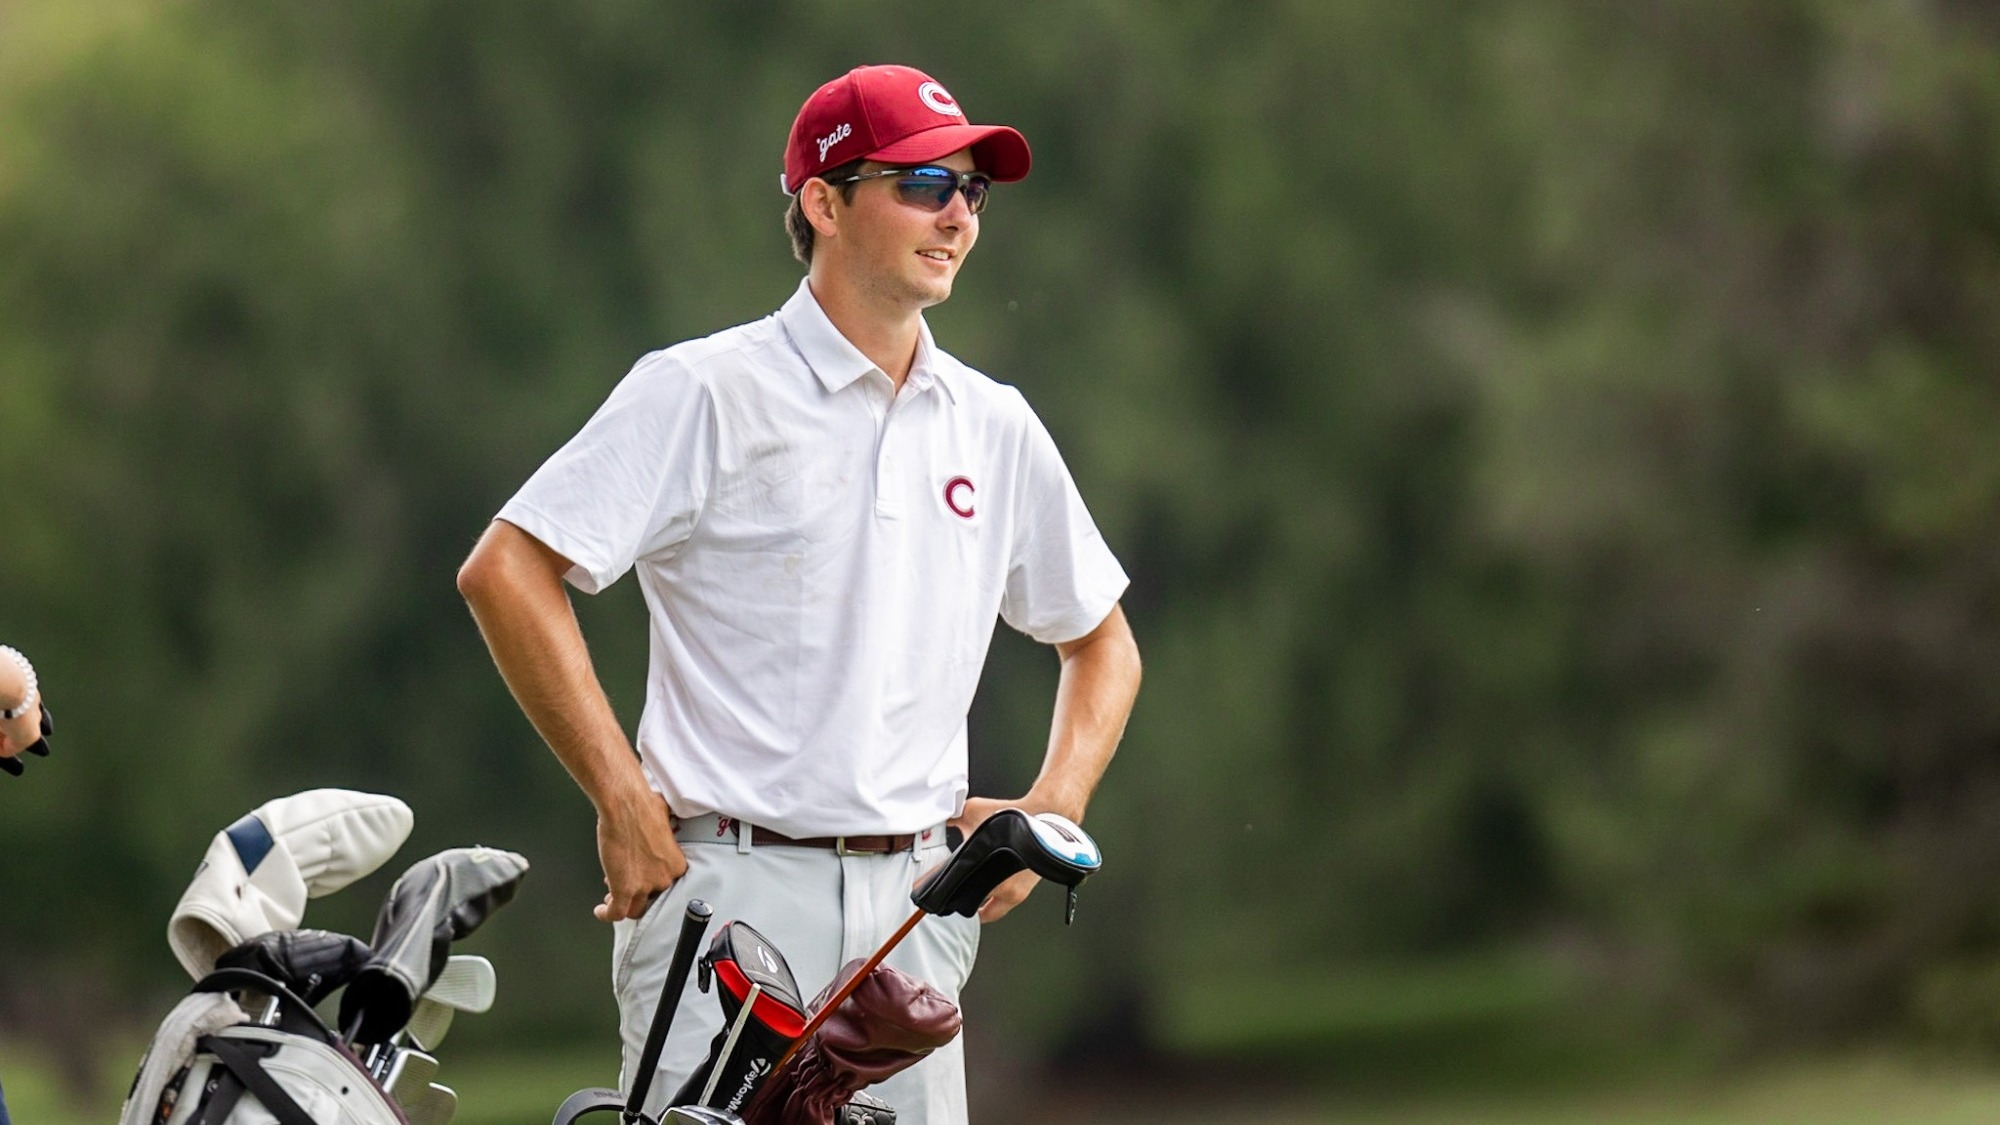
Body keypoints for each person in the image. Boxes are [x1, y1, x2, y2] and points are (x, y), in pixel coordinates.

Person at [457, 63, 1141, 1123]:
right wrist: (622, 800)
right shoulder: (706, 390)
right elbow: (507, 570)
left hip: (915, 914)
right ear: (822, 201)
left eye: (972, 190)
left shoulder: (992, 423)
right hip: (727, 906)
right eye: (922, 184)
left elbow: (1102, 643)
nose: (957, 214)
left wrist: (1048, 810)